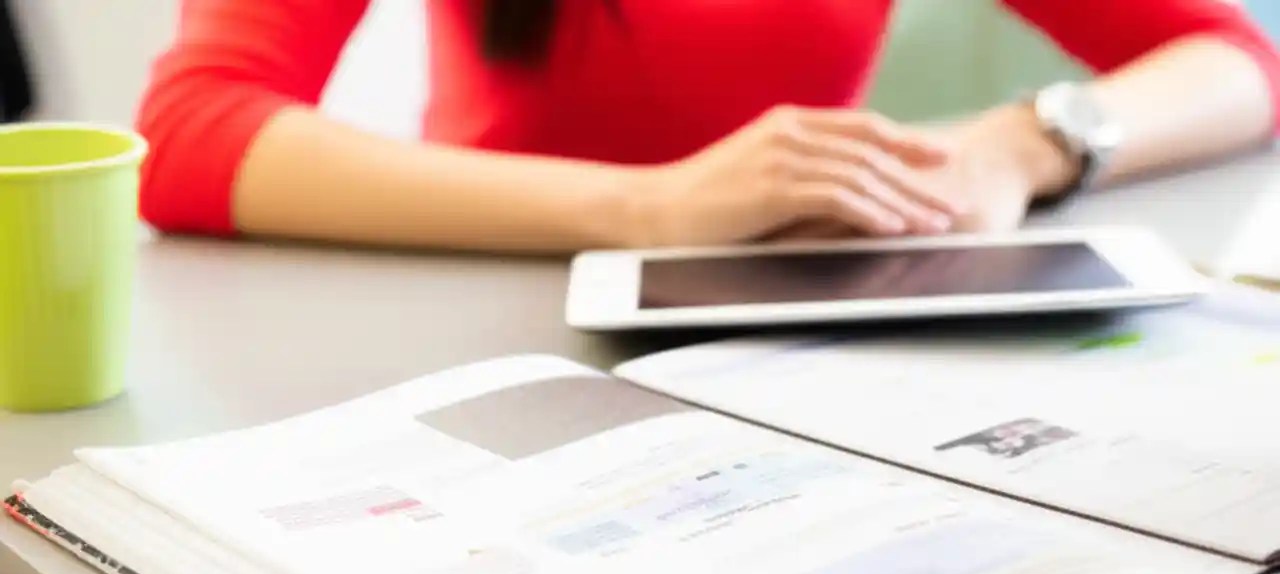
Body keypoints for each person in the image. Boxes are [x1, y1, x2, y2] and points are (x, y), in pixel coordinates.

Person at [137, 1, 1280, 252]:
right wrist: (651, 204)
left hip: (815, 329)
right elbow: (192, 126)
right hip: (493, 290)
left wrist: (1029, 143)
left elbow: (1238, 60)